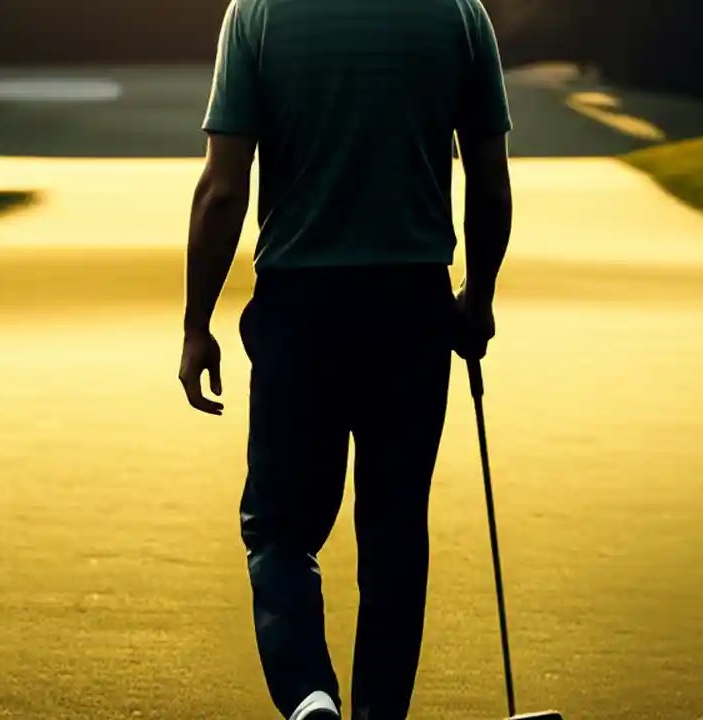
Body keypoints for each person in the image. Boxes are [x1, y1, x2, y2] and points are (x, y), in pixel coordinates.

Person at [178, 0, 513, 718]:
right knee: (394, 533)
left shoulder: (257, 14)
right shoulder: (459, 14)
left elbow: (223, 187)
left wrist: (196, 323)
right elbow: (488, 179)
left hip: (301, 309)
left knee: (279, 530)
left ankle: (309, 699)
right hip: (413, 307)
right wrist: (478, 296)